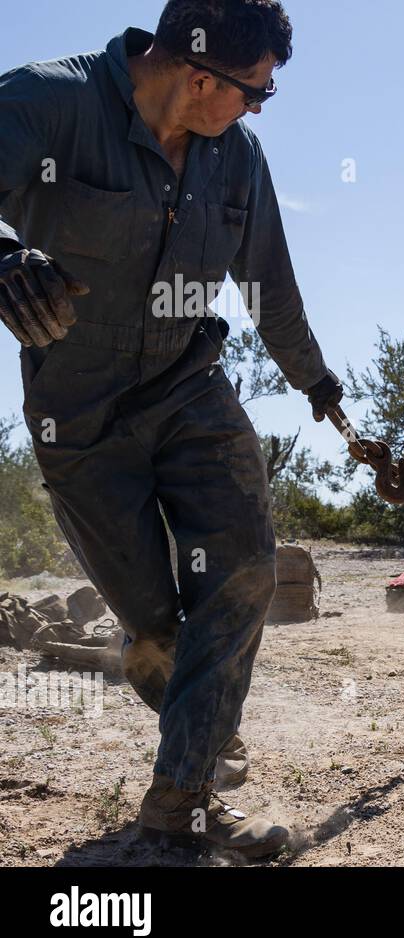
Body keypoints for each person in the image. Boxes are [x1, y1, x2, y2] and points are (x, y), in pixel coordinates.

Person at [0, 0, 344, 858]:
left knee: (240, 576)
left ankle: (181, 799)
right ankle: (197, 715)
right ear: (201, 76)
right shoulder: (48, 104)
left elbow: (269, 283)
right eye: (256, 92)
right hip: (78, 412)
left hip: (190, 387)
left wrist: (318, 385)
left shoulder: (237, 158)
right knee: (155, 630)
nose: (259, 109)